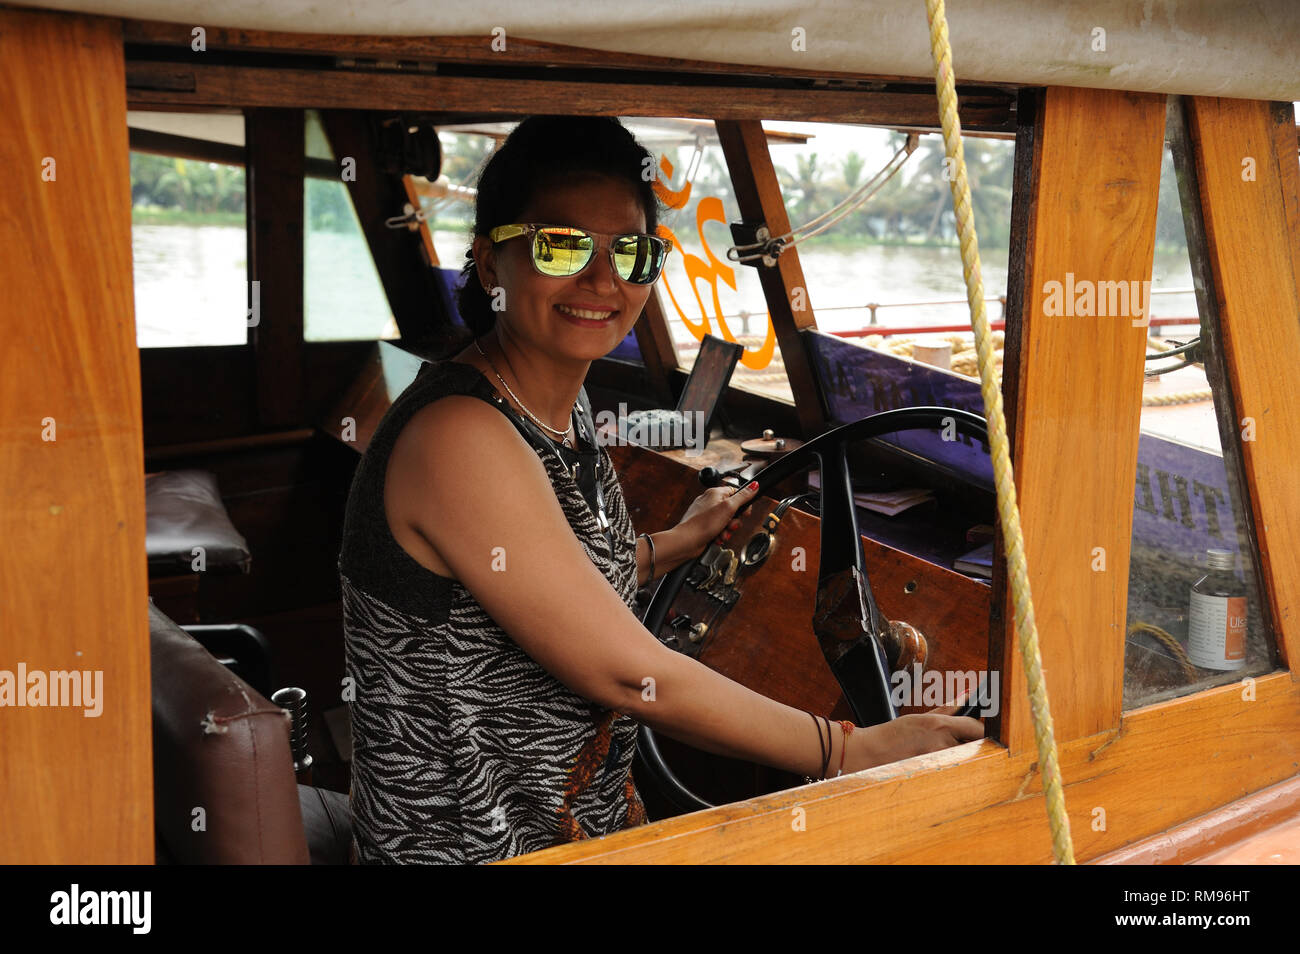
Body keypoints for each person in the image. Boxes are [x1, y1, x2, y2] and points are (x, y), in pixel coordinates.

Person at [337, 115, 982, 864]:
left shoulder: (554, 406)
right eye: (562, 245)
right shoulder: (459, 436)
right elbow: (624, 670)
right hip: (476, 844)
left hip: (582, 822)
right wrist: (846, 750)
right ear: (488, 263)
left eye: (634, 252)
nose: (604, 280)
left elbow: (547, 574)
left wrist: (673, 544)